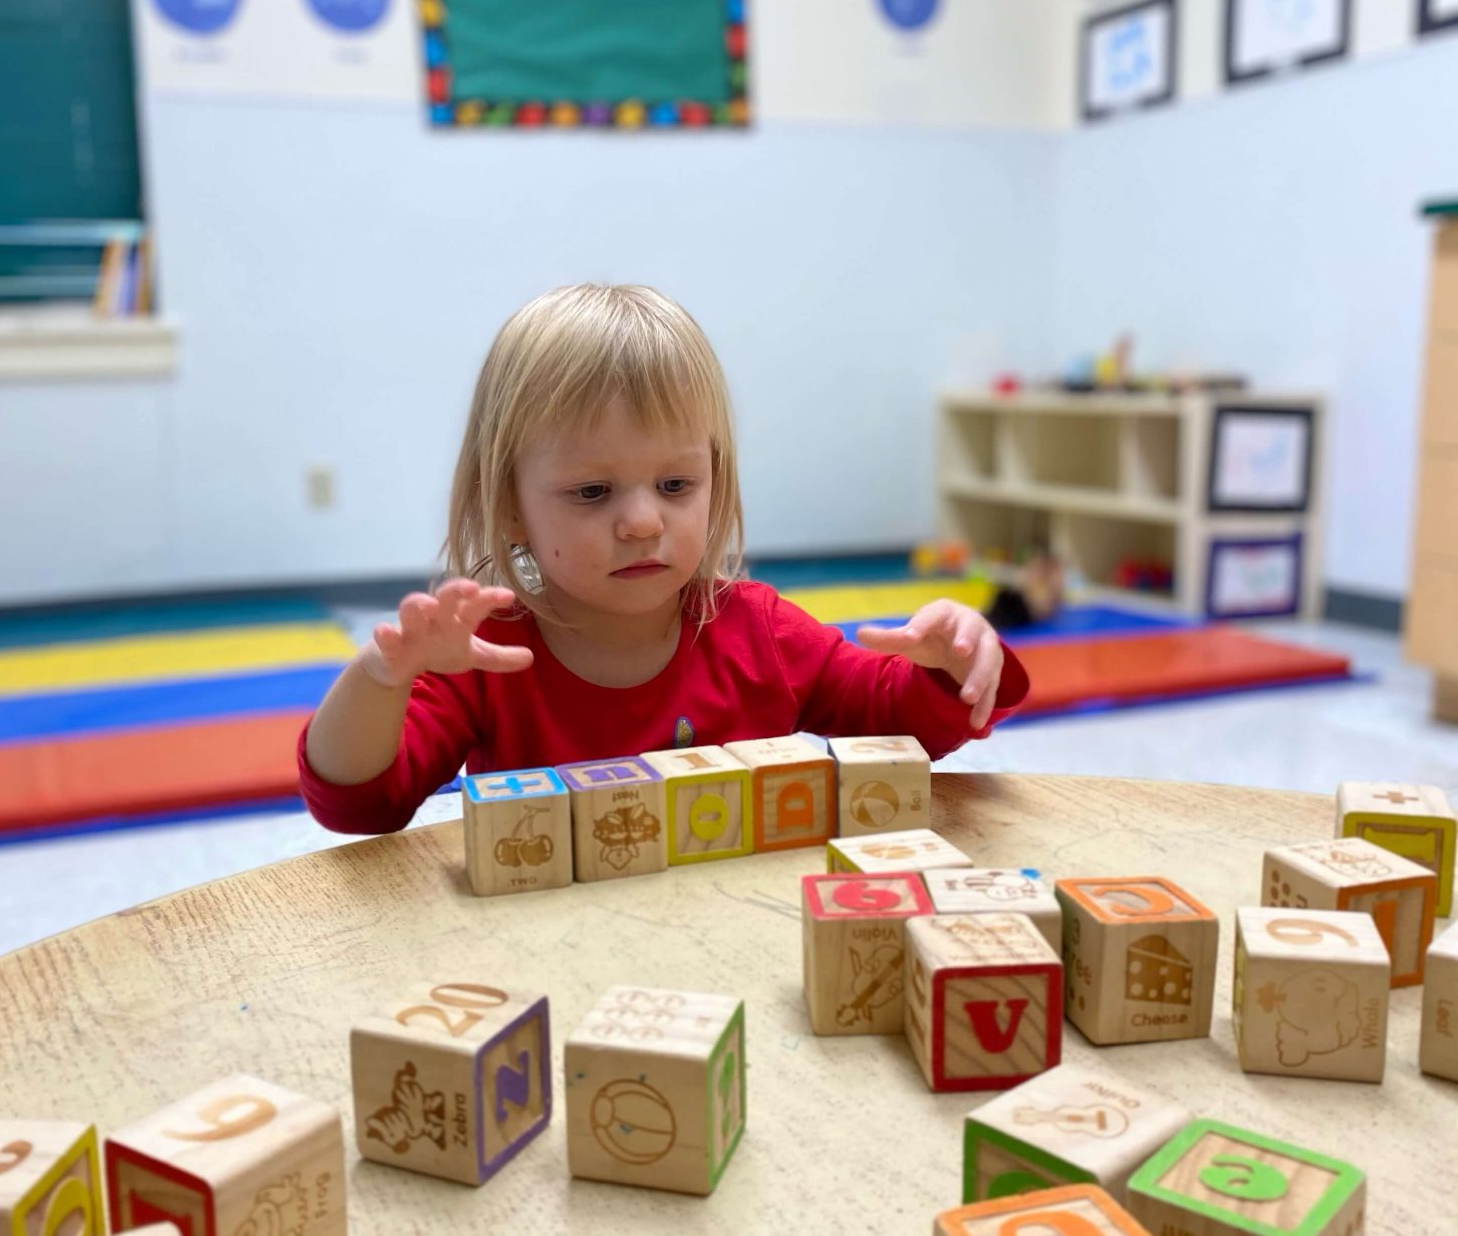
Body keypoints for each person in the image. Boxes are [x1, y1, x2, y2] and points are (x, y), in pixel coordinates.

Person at [301, 284, 1029, 834]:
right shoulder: (487, 659)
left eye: (677, 485)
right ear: (510, 504)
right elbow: (360, 803)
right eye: (593, 491)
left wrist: (953, 663)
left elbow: (900, 724)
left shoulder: (760, 632)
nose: (645, 522)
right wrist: (381, 679)